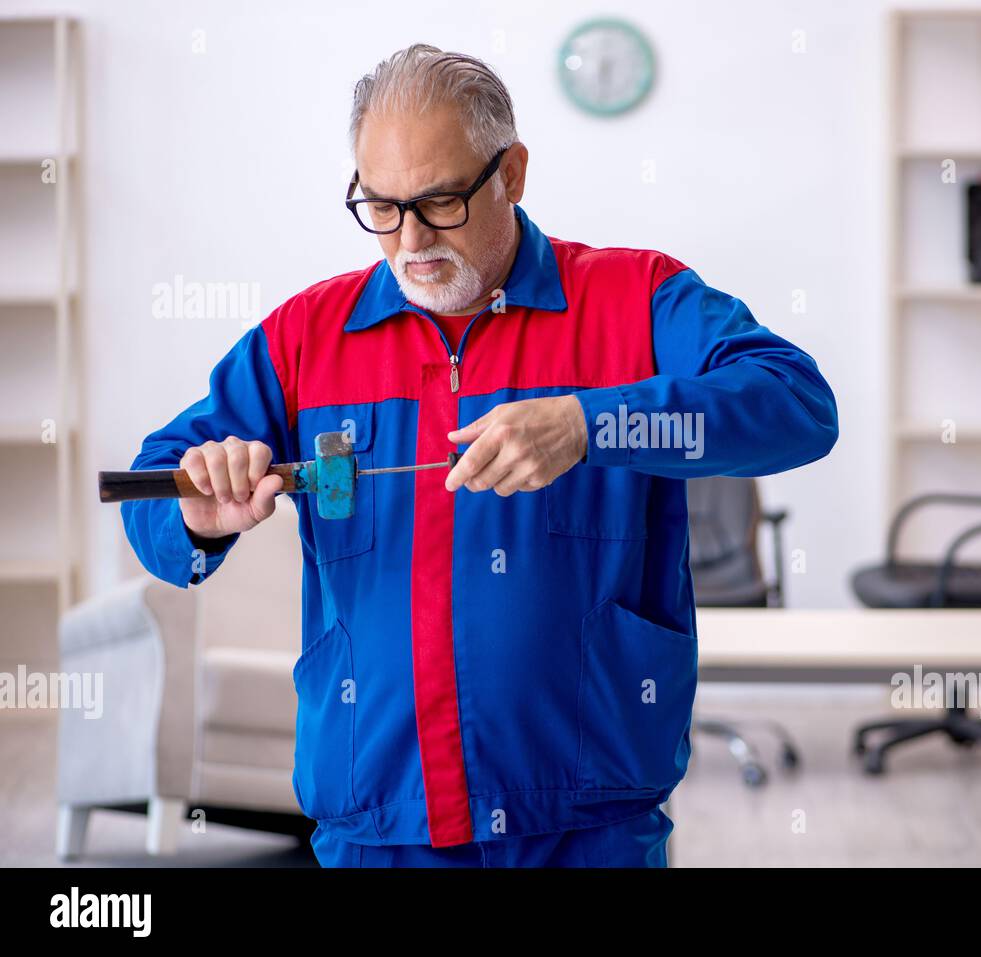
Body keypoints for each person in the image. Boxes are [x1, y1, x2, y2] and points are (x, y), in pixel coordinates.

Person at [123, 44, 838, 867]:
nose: (411, 239)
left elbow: (798, 404)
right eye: (381, 207)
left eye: (441, 201)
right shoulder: (305, 340)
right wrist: (194, 514)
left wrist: (592, 424)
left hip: (587, 817)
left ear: (513, 173)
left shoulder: (634, 299)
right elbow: (153, 493)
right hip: (378, 817)